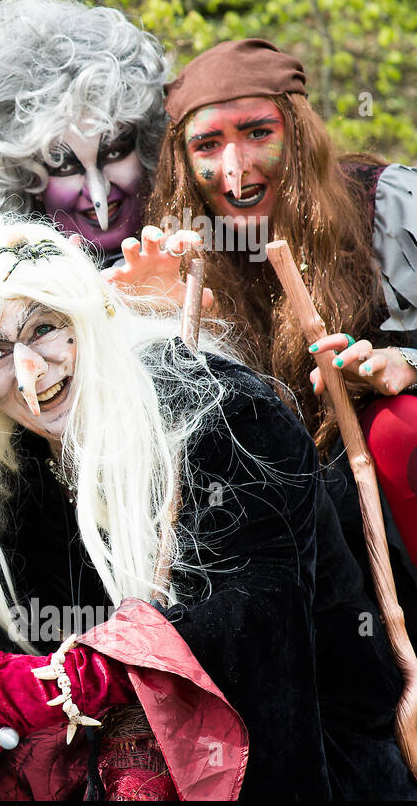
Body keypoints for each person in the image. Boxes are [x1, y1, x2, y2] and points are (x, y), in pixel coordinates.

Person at [0, 221, 413, 800]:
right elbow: (6, 652)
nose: (27, 371)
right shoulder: (23, 467)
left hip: (302, 773)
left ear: (92, 319)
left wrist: (76, 678)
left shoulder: (225, 412)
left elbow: (256, 614)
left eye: (44, 329)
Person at [141, 39, 417, 584]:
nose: (235, 169)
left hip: (388, 497)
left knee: (398, 429)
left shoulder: (387, 207)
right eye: (207, 145)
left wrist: (406, 365)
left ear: (299, 134)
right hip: (276, 534)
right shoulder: (180, 258)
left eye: (258, 133)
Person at [0, 0, 169, 262]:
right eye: (64, 166)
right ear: (26, 181)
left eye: (114, 153)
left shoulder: (202, 264)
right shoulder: (4, 290)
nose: (99, 194)